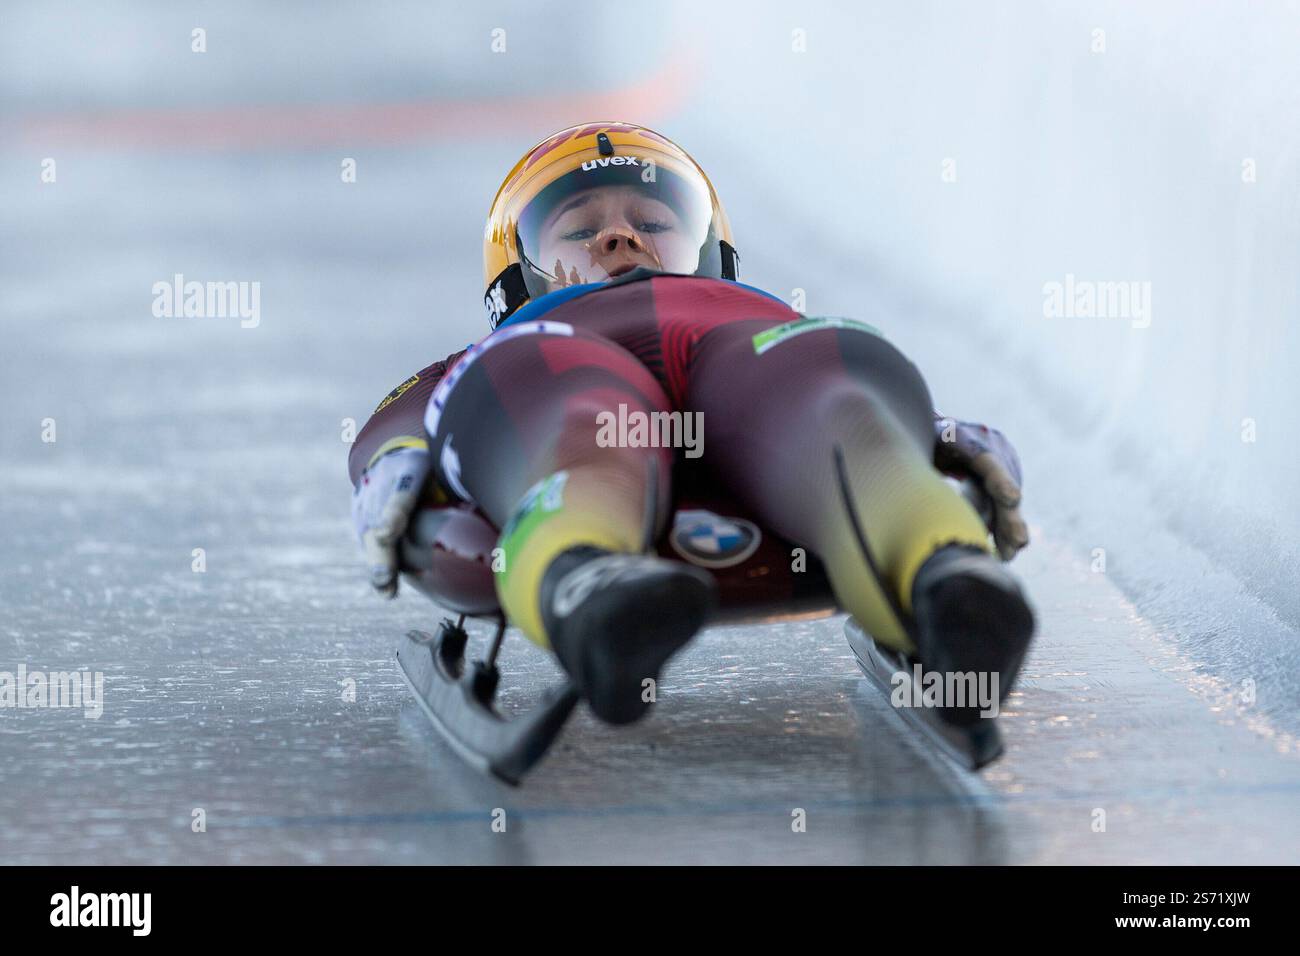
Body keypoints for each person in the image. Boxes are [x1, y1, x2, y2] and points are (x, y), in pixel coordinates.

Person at [349, 122, 1033, 727]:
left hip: (741, 346)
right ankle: (589, 585)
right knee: (582, 417)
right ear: (516, 281)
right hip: (563, 355)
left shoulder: (756, 314)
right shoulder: (503, 350)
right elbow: (403, 419)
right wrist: (401, 455)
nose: (619, 236)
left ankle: (948, 580)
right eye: (581, 231)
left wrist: (930, 431)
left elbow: (848, 392)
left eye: (652, 220)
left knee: (828, 389)